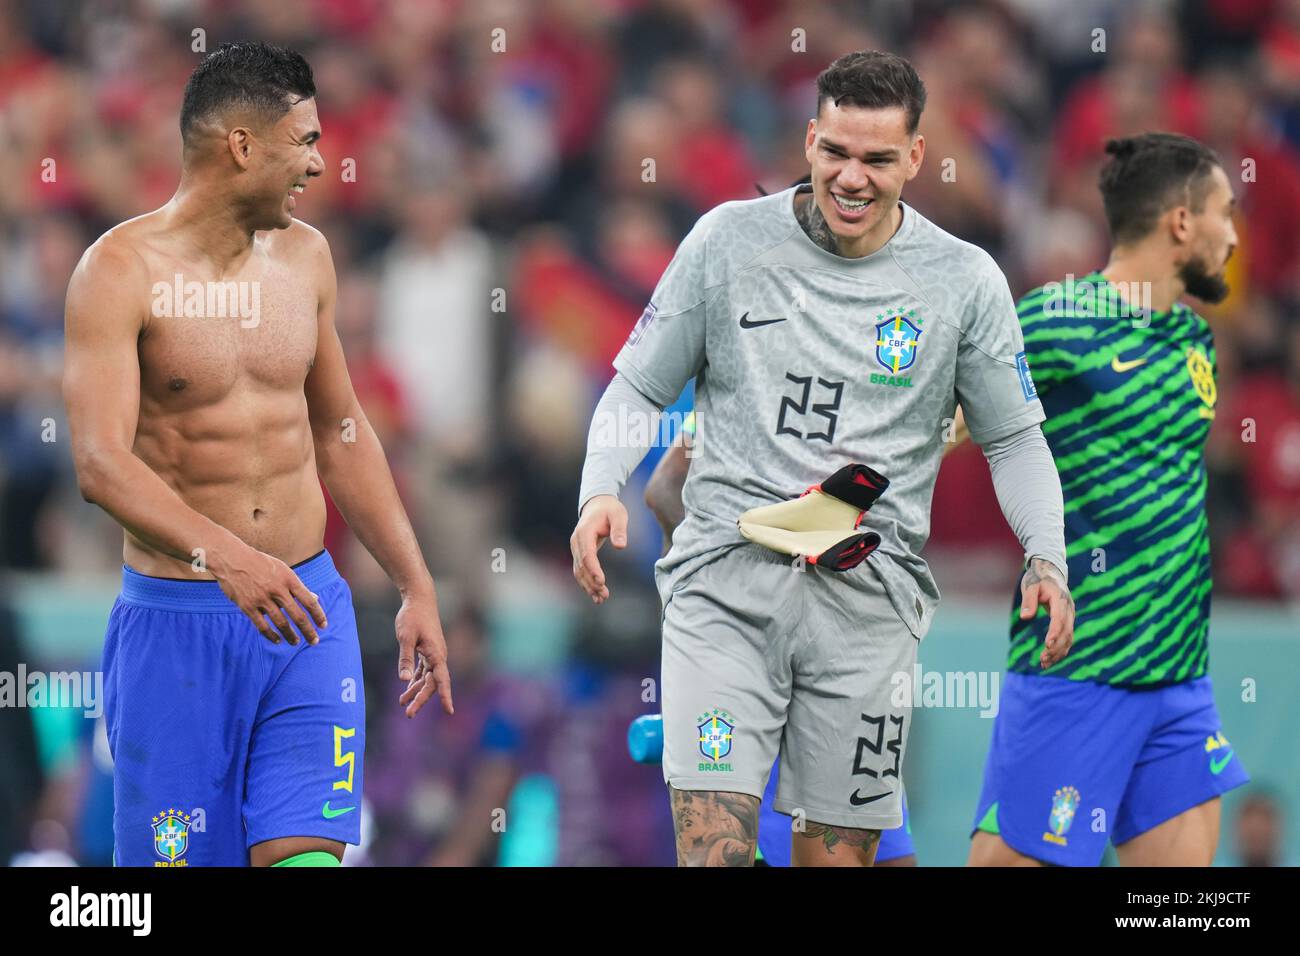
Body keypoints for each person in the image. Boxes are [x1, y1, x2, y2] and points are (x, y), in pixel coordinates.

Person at [571, 50, 1073, 867]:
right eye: (835, 152)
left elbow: (1015, 437)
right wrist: (600, 491)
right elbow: (636, 389)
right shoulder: (727, 243)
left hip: (867, 607)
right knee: (715, 856)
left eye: (877, 159)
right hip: (725, 592)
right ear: (808, 140)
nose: (852, 177)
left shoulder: (963, 281)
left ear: (915, 157)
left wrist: (1045, 557)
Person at [62, 41, 452, 868]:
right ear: (242, 144)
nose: (319, 164)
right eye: (304, 141)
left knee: (307, 853)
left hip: (307, 611)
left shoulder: (308, 257)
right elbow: (98, 464)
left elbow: (340, 431)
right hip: (179, 627)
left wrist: (415, 584)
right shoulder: (117, 271)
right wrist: (229, 558)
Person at [969, 133, 1250, 867]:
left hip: (1180, 677)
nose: (1235, 233)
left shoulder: (1194, 337)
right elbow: (947, 421)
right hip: (1080, 660)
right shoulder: (1057, 318)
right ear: (1181, 222)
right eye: (1226, 211)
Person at [646, 413, 917, 867]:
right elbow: (667, 485)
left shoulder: (919, 376)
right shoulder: (761, 364)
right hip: (772, 674)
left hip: (851, 654)